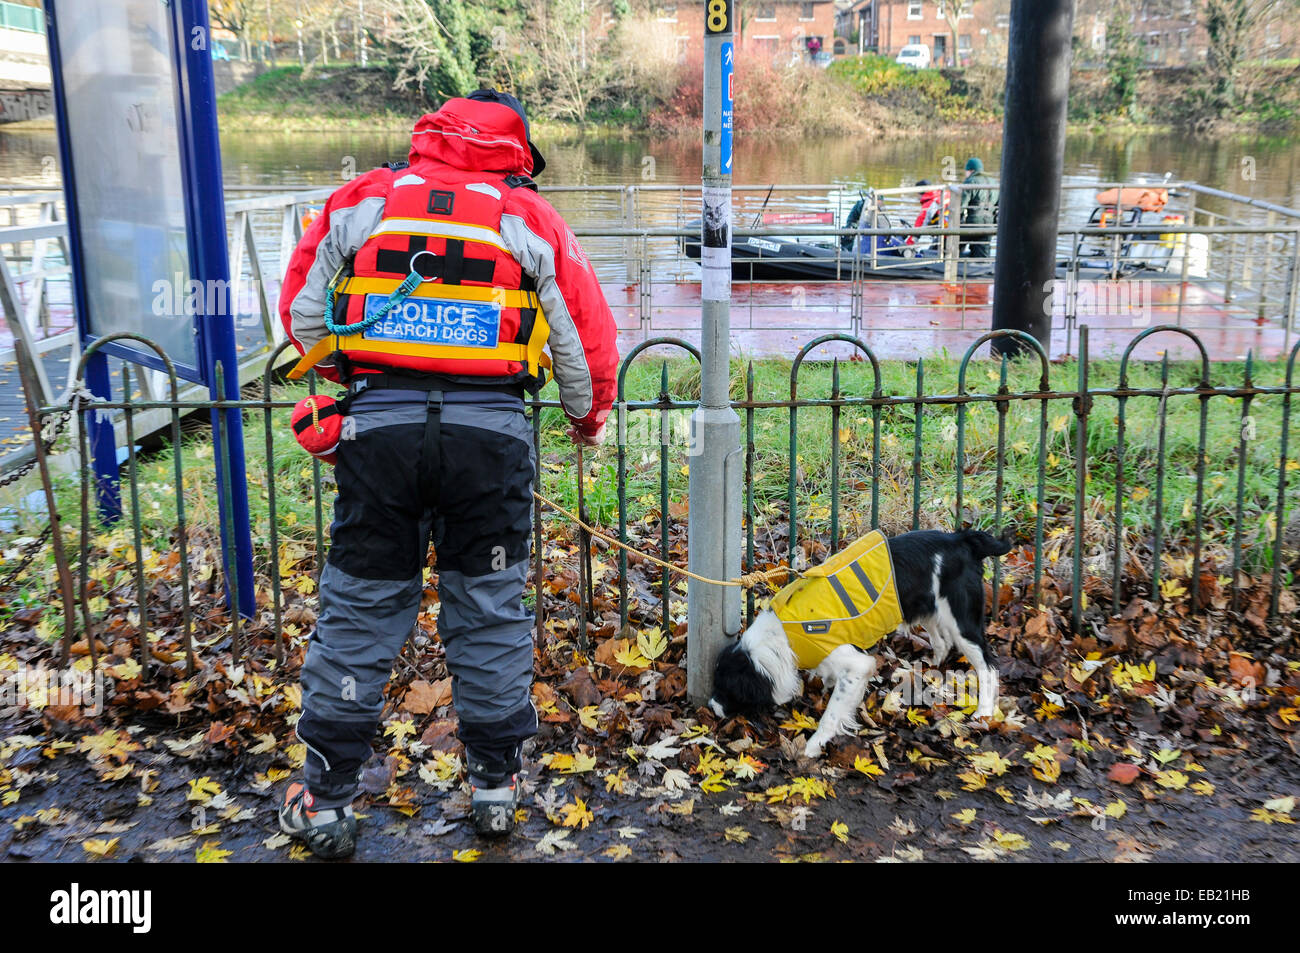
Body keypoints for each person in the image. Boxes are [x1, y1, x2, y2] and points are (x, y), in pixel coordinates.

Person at [275, 88, 618, 857]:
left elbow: (300, 308)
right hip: (489, 441)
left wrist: (334, 382)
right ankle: (495, 789)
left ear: (430, 138)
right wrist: (586, 422)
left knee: (361, 612)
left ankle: (326, 799)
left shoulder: (363, 199)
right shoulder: (529, 218)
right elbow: (585, 339)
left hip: (378, 435)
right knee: (489, 611)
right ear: (516, 151)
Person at [959, 157, 996, 261]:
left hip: (972, 222)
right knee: (982, 253)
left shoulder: (971, 181)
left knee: (953, 243)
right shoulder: (994, 182)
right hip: (988, 224)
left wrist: (958, 219)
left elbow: (961, 205)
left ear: (971, 170)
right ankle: (980, 273)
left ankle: (951, 266)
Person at [904, 179, 944, 250]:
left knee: (933, 252)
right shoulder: (941, 195)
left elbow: (919, 227)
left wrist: (908, 246)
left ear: (920, 192)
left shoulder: (929, 205)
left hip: (947, 234)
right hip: (957, 228)